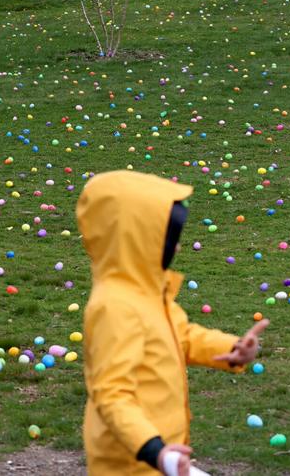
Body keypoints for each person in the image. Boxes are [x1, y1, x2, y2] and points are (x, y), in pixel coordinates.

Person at [76, 170, 269, 475]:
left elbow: (182, 336)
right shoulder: (115, 306)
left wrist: (231, 348)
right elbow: (111, 393)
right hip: (131, 462)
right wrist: (155, 450)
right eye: (169, 239)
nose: (178, 248)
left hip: (162, 456)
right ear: (139, 240)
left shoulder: (147, 291)